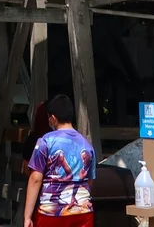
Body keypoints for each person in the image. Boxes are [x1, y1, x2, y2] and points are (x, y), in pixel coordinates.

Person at [23, 95, 96, 227]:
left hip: (52, 213)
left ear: (53, 118)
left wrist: (27, 216)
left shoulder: (46, 141)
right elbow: (89, 181)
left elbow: (35, 178)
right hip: (83, 213)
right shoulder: (87, 145)